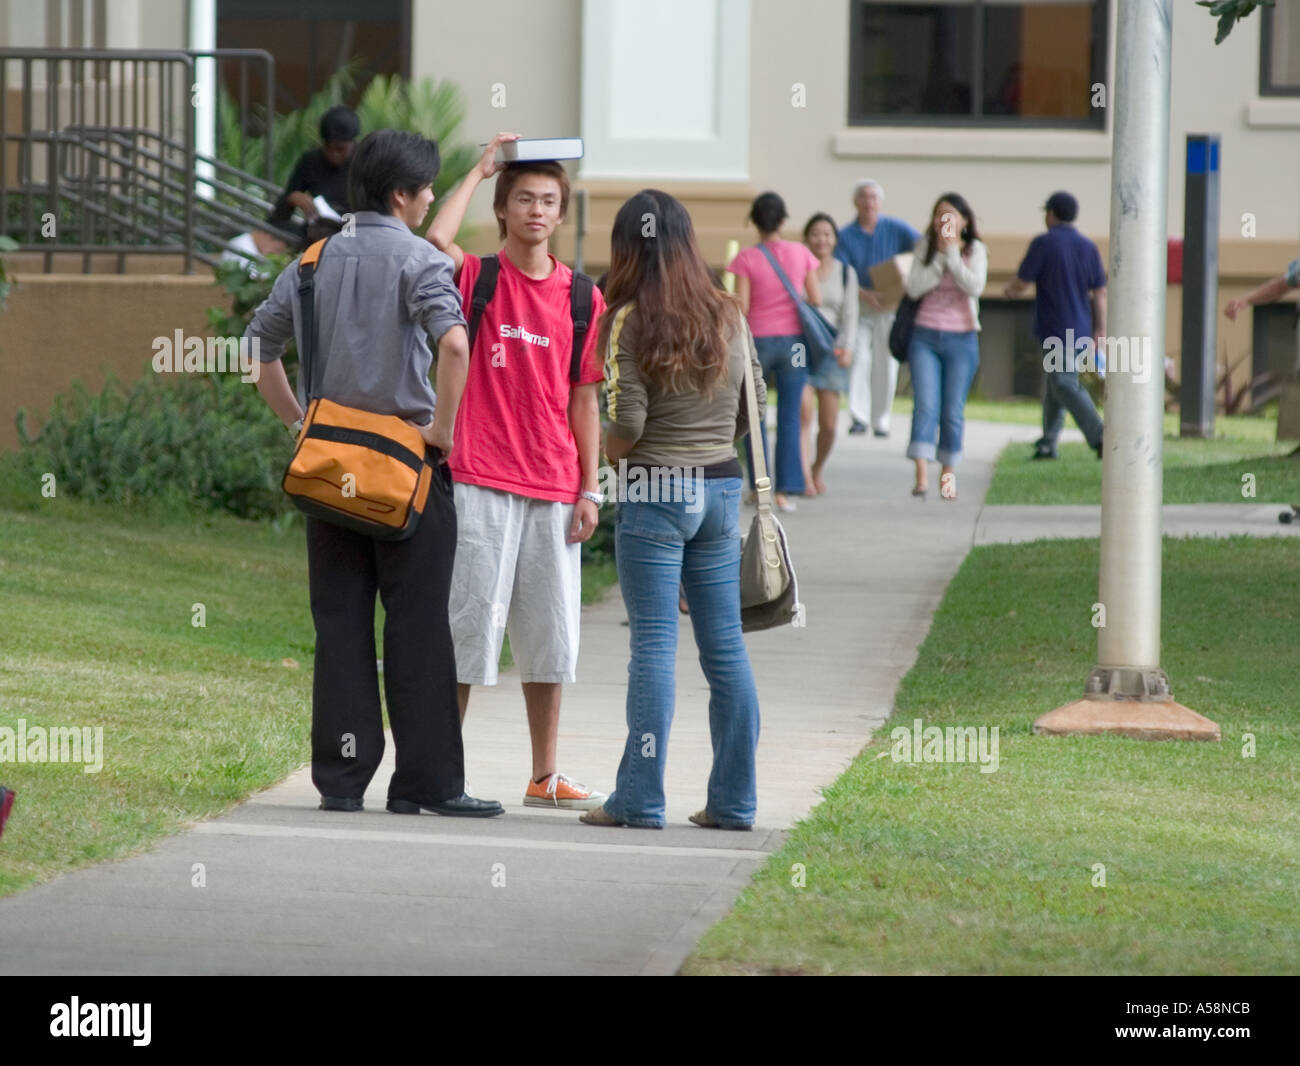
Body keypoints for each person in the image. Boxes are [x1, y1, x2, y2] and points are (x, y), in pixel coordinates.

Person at [244, 129, 501, 817]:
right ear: (401, 194)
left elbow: (256, 349)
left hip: (329, 474)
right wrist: (440, 432)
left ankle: (343, 779)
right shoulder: (421, 261)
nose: (427, 204)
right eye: (425, 191)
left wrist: (299, 421)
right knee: (418, 626)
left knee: (341, 625)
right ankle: (427, 785)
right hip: (407, 474)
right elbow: (453, 343)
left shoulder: (311, 261)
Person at [424, 132, 607, 811]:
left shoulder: (585, 300)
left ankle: (545, 775)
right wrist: (477, 168)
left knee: (551, 640)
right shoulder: (479, 277)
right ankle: (442, 772)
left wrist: (591, 487)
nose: (536, 210)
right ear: (503, 210)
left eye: (549, 201)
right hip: (478, 481)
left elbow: (585, 400)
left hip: (556, 488)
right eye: (524, 199)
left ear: (561, 215)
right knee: (467, 631)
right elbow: (434, 238)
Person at [580, 189, 765, 830]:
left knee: (655, 648)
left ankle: (638, 800)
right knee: (726, 652)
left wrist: (606, 454)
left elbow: (626, 420)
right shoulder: (730, 313)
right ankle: (735, 803)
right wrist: (710, 445)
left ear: (630, 247)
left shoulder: (628, 318)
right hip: (720, 489)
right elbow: (755, 410)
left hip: (656, 490)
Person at [727, 191, 820, 511]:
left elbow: (743, 306)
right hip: (795, 343)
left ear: (754, 222)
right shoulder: (802, 253)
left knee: (755, 416)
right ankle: (787, 490)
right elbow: (815, 298)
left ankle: (760, 488)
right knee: (791, 414)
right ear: (783, 220)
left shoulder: (746, 259)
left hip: (759, 343)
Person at [1004, 191, 1106, 460]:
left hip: (1055, 328)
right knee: (1054, 386)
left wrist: (1009, 290)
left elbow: (1022, 281)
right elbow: (1101, 292)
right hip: (1082, 326)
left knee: (1063, 383)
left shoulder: (1044, 243)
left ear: (1051, 214)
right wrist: (1100, 330)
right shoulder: (1089, 247)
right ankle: (1048, 443)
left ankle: (1100, 435)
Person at [903, 193, 988, 501]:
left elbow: (975, 287)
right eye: (940, 216)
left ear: (965, 221)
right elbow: (914, 287)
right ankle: (922, 478)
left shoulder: (975, 250)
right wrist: (939, 258)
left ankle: (948, 479)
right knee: (925, 405)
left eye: (951, 216)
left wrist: (953, 255)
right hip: (925, 336)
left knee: (952, 411)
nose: (945, 222)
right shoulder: (924, 248)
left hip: (962, 339)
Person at [835, 180, 920, 437]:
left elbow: (922, 246)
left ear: (879, 202)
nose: (868, 202)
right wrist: (862, 293)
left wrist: (907, 274)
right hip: (859, 305)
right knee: (859, 359)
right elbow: (841, 271)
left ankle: (881, 420)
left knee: (886, 361)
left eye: (873, 197)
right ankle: (858, 417)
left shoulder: (896, 228)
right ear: (855, 202)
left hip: (889, 305)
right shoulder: (846, 235)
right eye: (863, 197)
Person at [800, 212, 859, 495]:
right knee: (803, 415)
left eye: (827, 234)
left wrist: (848, 347)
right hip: (803, 350)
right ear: (806, 239)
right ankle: (804, 478)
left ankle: (816, 468)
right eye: (815, 234)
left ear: (834, 239)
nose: (821, 239)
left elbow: (850, 315)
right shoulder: (798, 268)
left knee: (830, 424)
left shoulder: (846, 272)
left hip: (833, 351)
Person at [268, 105, 359, 232]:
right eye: (329, 148)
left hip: (356, 234)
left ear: (353, 144)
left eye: (340, 149)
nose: (334, 154)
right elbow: (278, 214)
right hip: (317, 236)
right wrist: (293, 198)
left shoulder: (366, 163)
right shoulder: (310, 161)